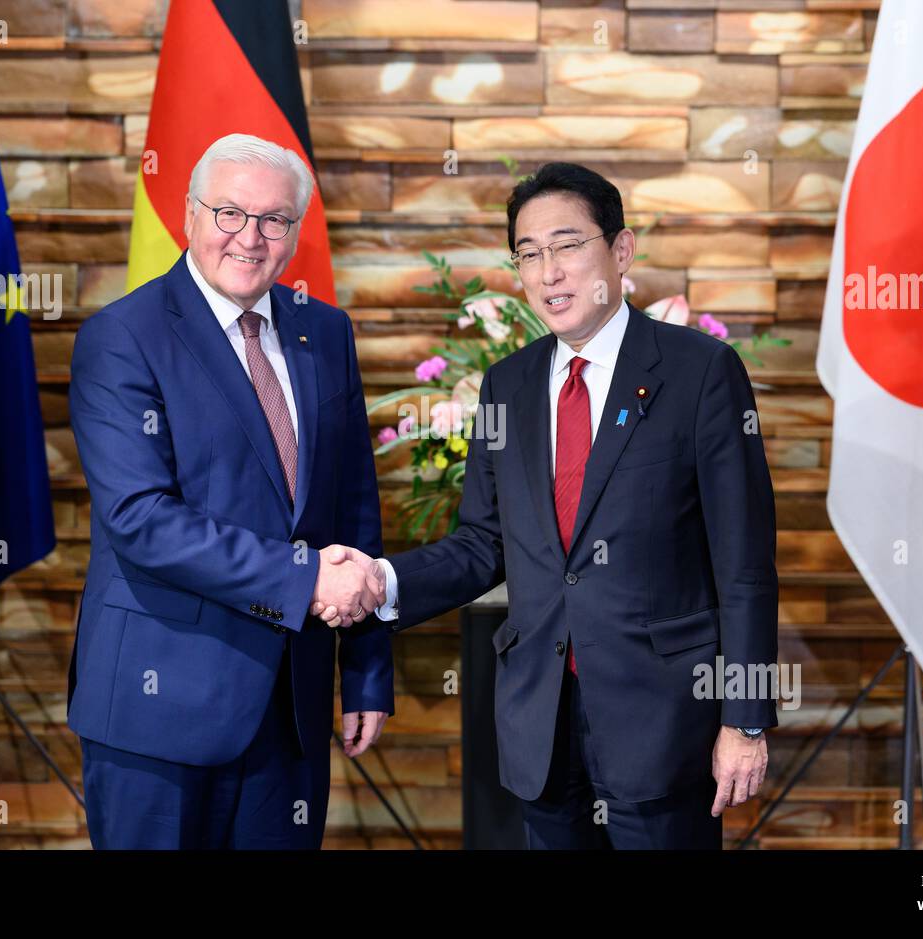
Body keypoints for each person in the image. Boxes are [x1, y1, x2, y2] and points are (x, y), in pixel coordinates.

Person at [316, 162, 779, 849]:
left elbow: (744, 564)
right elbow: (484, 542)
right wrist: (382, 582)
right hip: (542, 721)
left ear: (620, 252)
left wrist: (744, 719)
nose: (548, 272)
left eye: (567, 246)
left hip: (664, 723)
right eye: (529, 255)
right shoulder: (508, 384)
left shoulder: (699, 372)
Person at [68, 133, 392, 849]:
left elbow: (353, 507)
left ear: (295, 233)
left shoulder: (326, 333)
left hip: (291, 711)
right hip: (159, 712)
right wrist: (305, 577)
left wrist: (367, 670)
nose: (250, 236)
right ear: (189, 215)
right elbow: (141, 519)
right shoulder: (122, 336)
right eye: (229, 213)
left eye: (274, 219)